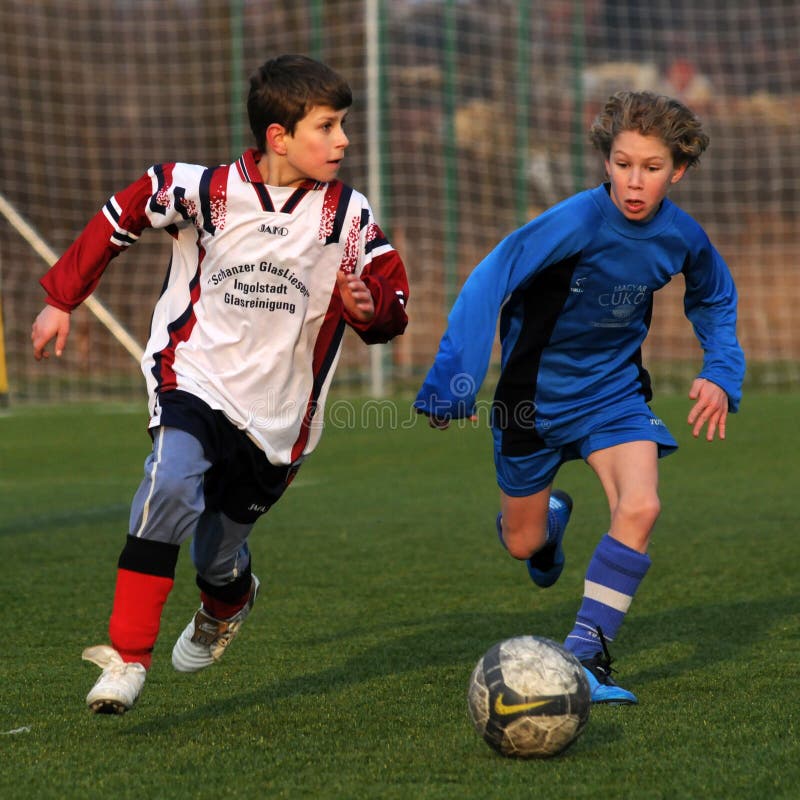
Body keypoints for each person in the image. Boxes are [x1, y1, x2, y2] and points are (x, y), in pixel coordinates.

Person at [31, 54, 410, 714]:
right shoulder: (202, 191)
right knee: (169, 482)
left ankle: (227, 601)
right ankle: (129, 656)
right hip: (194, 378)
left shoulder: (347, 214)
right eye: (328, 126)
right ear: (279, 137)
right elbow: (124, 210)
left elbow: (391, 298)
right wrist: (62, 298)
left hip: (280, 420)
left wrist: (370, 306)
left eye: (343, 124)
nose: (344, 140)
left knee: (216, 553)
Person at [414, 91, 744, 704]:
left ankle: (588, 655)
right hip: (531, 403)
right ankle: (550, 524)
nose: (634, 182)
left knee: (641, 506)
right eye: (622, 164)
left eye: (651, 167)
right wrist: (453, 380)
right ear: (605, 161)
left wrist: (721, 370)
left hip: (613, 394)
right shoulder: (575, 222)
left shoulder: (682, 235)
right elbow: (490, 277)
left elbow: (715, 296)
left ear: (678, 170)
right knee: (523, 544)